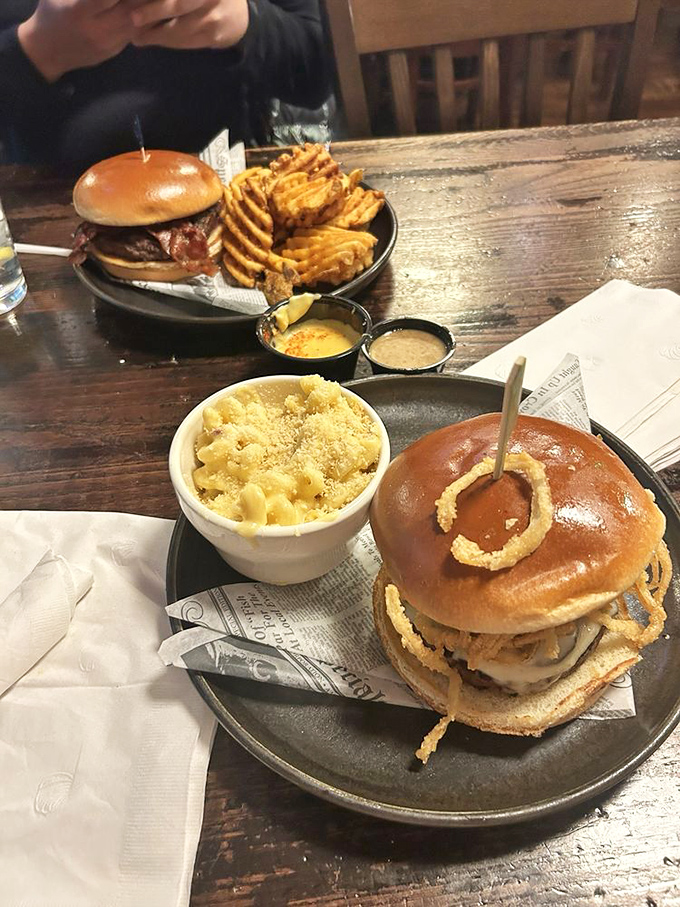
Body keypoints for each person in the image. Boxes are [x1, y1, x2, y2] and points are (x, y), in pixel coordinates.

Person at [0, 0, 331, 171]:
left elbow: (317, 74)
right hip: (42, 204)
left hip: (233, 187)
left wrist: (246, 21)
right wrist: (36, 51)